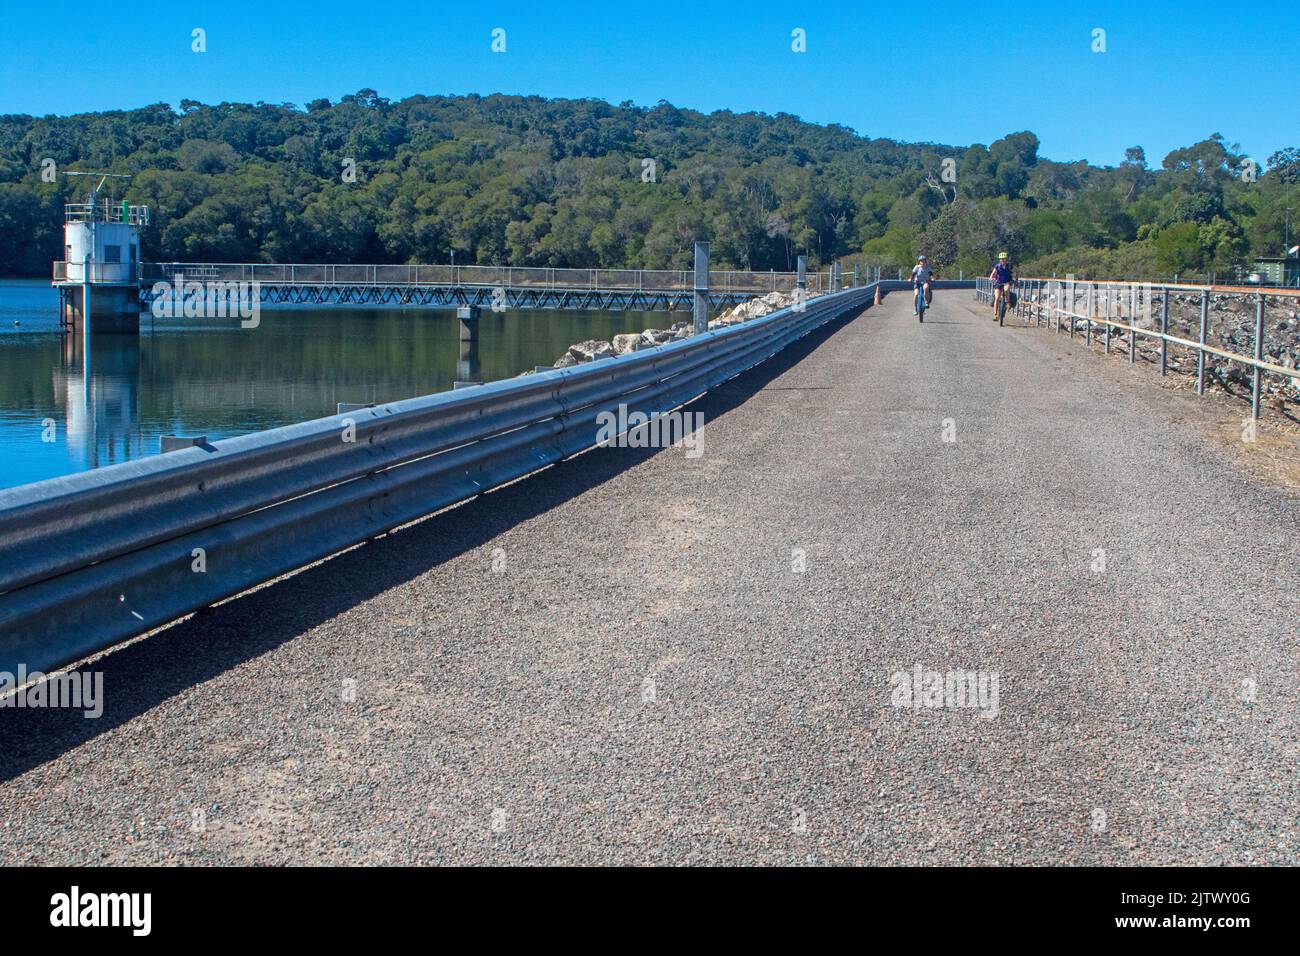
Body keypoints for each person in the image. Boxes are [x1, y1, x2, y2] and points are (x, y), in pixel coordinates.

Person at [989, 252, 1014, 319]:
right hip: (998, 282)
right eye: (1001, 259)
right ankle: (995, 314)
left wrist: (1016, 279)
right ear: (1000, 260)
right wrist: (991, 277)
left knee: (1006, 290)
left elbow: (1016, 271)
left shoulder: (1009, 266)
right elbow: (993, 273)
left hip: (1007, 282)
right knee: (997, 298)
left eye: (1004, 259)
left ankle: (1008, 303)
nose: (1003, 260)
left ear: (1006, 259)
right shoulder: (997, 266)